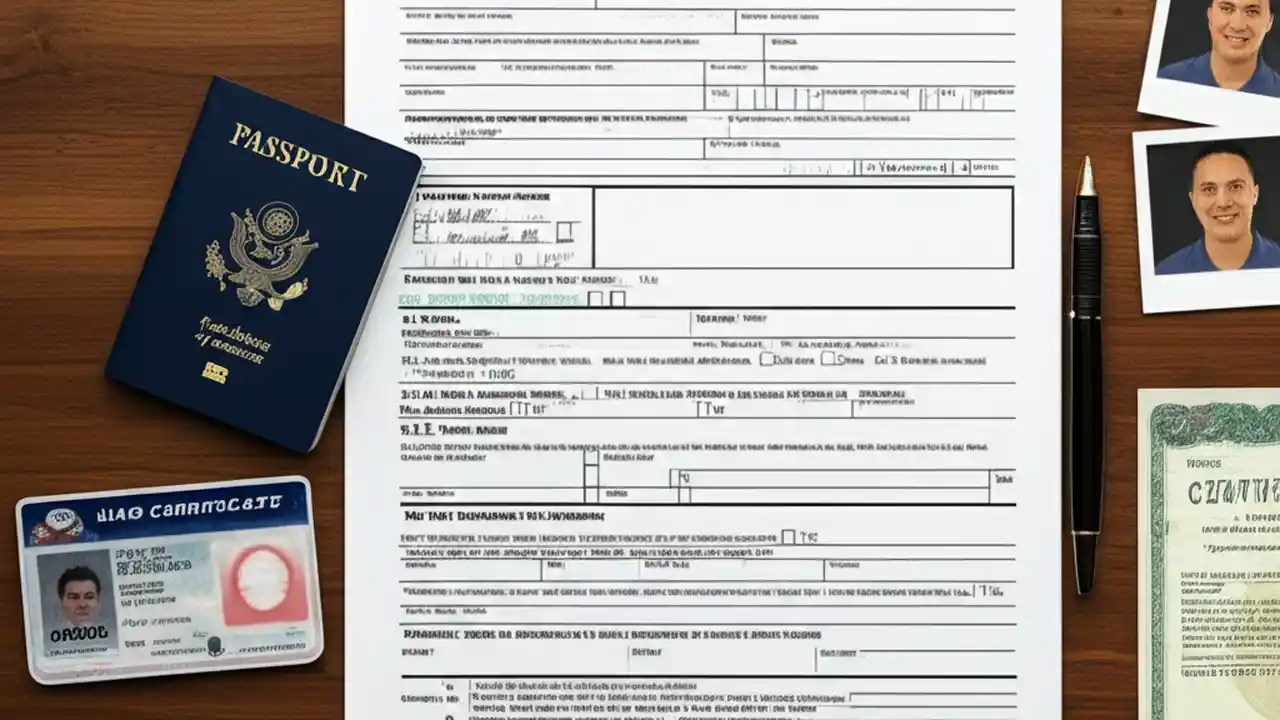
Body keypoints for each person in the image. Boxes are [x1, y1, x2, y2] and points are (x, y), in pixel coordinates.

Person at [1157, 142, 1280, 274]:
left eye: (1235, 187)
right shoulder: (1167, 272)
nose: (1223, 203)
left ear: (1255, 194)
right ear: (1193, 200)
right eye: (1209, 189)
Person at [1158, 0, 1280, 97]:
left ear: (1269, 21)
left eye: (1252, 12)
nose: (1237, 26)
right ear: (1210, 16)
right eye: (1226, 9)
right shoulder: (1165, 81)